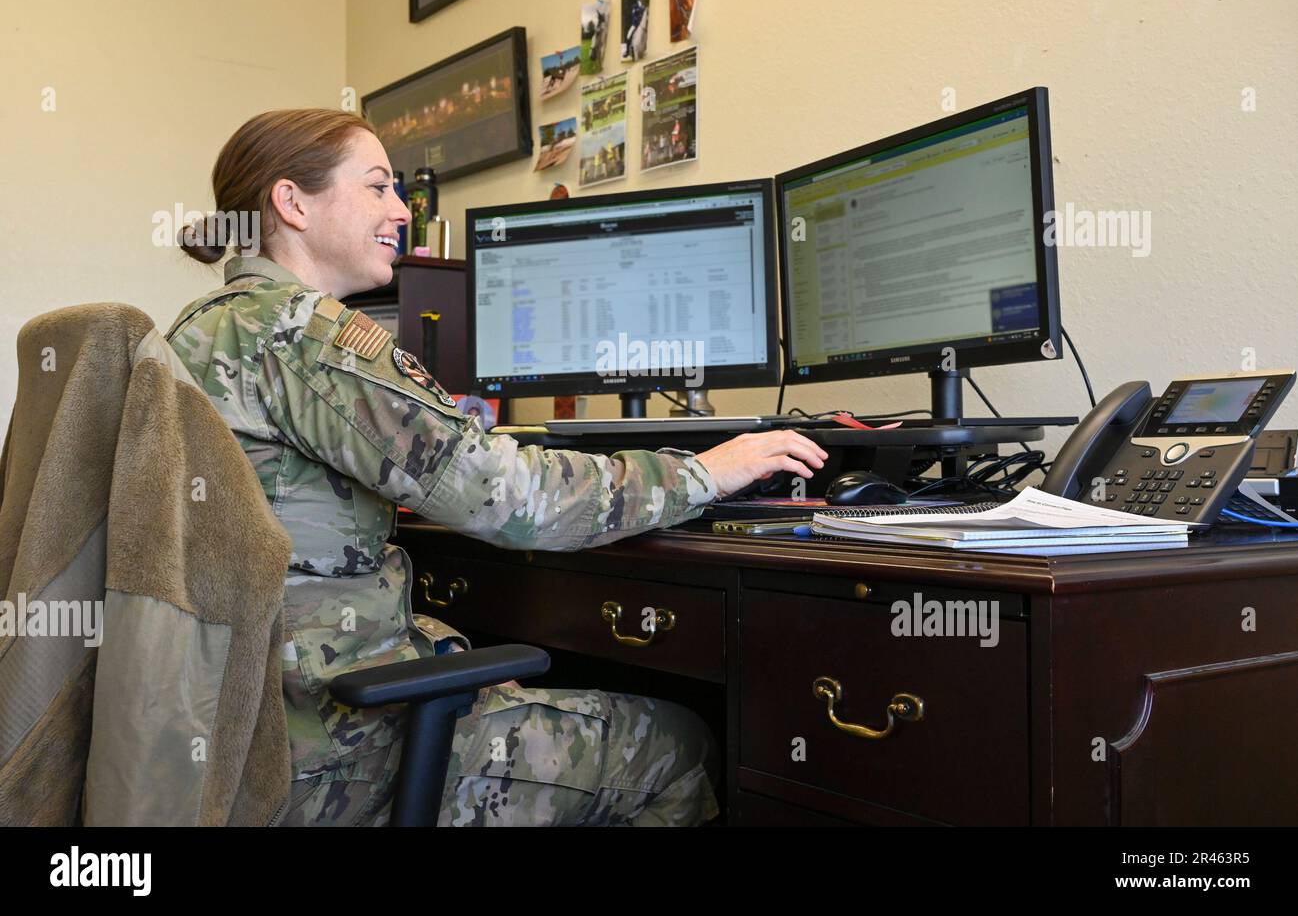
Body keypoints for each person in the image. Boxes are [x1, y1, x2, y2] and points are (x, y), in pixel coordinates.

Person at [167, 109, 827, 827]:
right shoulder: (311, 338)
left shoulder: (195, 329)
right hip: (335, 758)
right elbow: (515, 498)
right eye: (379, 187)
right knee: (682, 743)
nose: (401, 211)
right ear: (292, 203)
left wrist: (445, 648)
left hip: (236, 735)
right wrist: (707, 473)